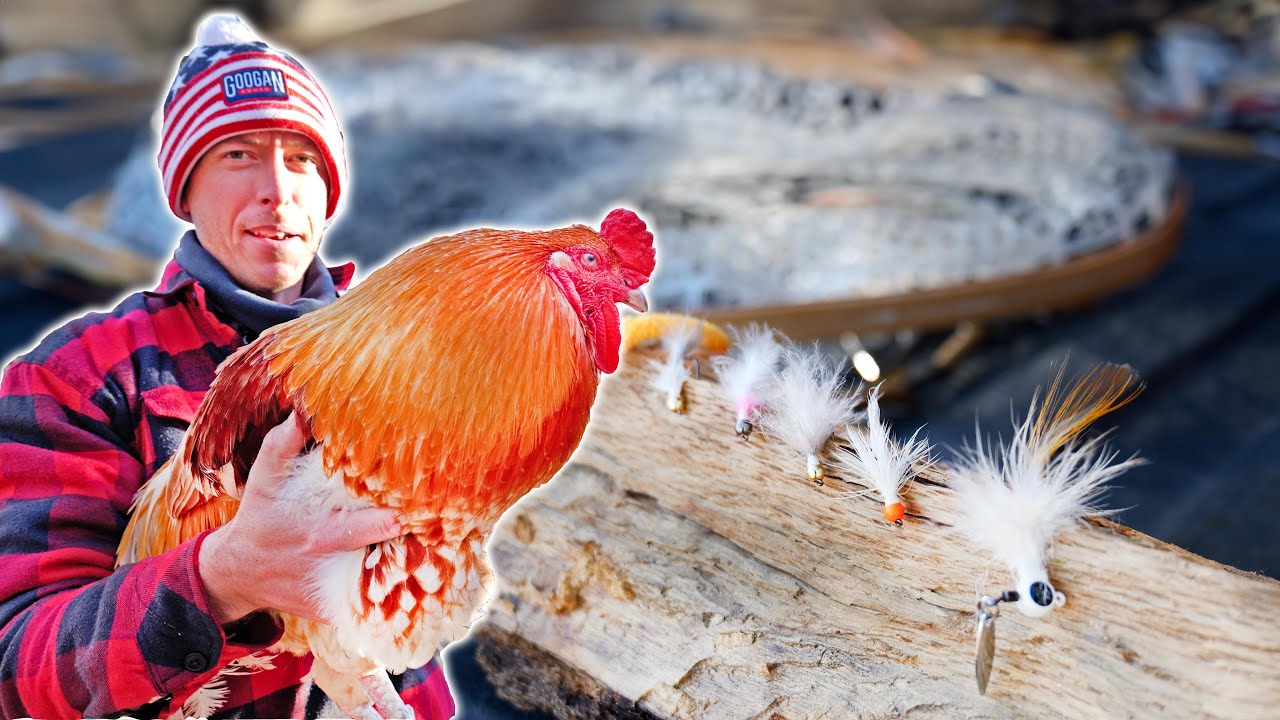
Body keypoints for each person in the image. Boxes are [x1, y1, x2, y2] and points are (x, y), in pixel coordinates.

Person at [0, 14, 455, 719]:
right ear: (185, 190)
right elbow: (18, 663)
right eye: (238, 154)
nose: (276, 187)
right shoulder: (77, 373)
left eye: (301, 158)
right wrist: (220, 578)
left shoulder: (402, 358)